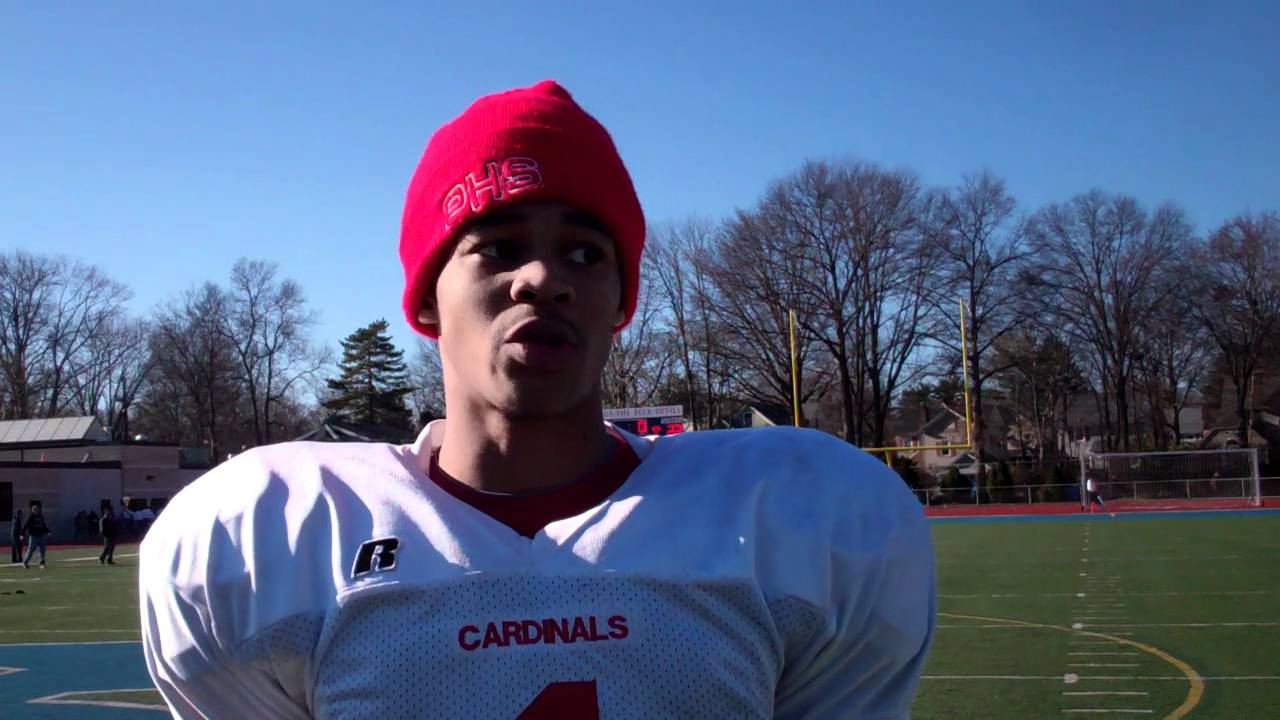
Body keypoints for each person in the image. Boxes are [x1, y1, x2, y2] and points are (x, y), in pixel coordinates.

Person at [139, 80, 935, 719]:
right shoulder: (270, 534)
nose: (544, 279)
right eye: (499, 247)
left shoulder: (792, 516)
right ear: (425, 300)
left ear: (619, 302)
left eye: (584, 253)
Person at [22, 503, 51, 569]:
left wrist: (48, 531)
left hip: (41, 536)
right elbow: (25, 526)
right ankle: (25, 562)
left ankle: (42, 563)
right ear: (33, 510)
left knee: (42, 550)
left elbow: (44, 526)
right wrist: (22, 534)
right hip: (33, 536)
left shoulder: (40, 517)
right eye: (35, 509)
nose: (37, 510)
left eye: (37, 509)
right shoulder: (30, 517)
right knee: (30, 550)